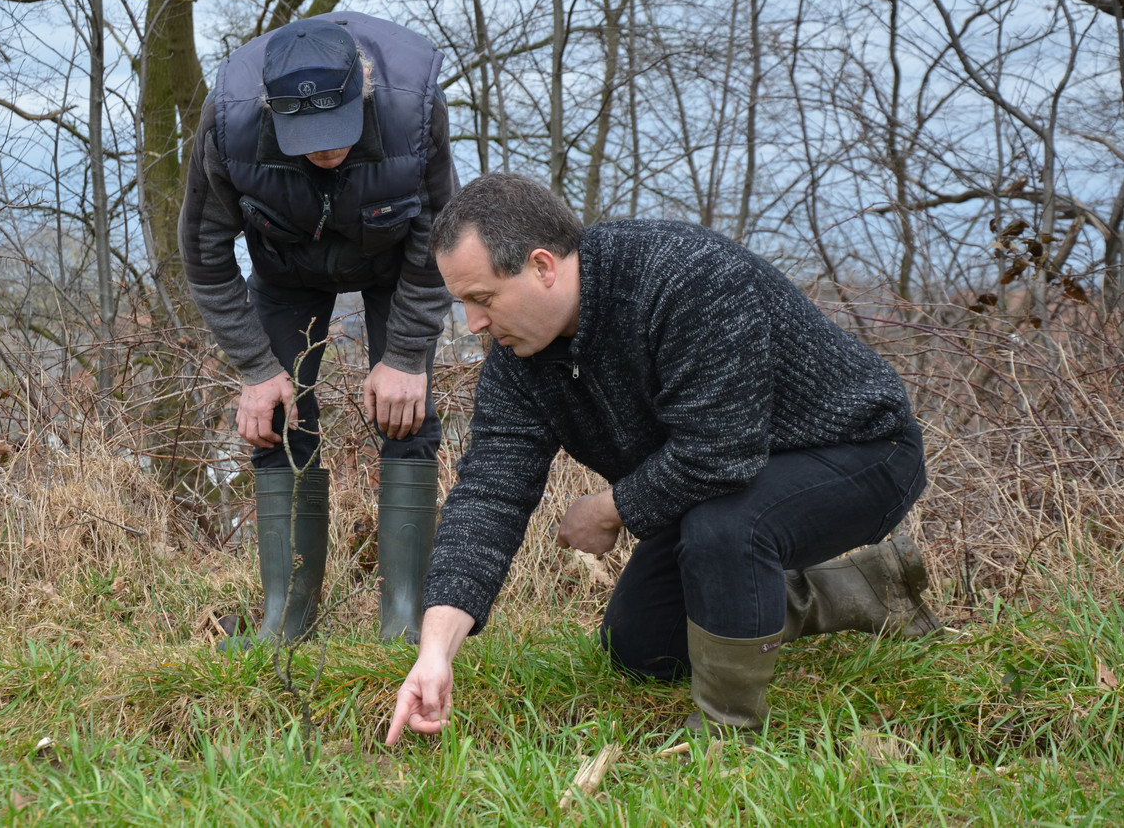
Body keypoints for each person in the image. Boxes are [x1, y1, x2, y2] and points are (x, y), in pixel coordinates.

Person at [386, 172, 941, 741]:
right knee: (641, 646)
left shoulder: (683, 275)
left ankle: (727, 739)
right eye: (464, 304)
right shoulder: (518, 361)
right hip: (726, 485)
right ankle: (867, 588)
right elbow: (489, 494)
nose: (475, 323)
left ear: (542, 266)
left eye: (483, 299)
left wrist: (609, 508)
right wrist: (435, 652)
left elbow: (721, 451)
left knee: (726, 527)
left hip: (861, 451)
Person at [179, 12, 457, 645]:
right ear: (273, 112)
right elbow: (203, 251)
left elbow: (442, 236)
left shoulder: (412, 108)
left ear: (362, 91)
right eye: (306, 134)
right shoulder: (230, 125)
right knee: (273, 422)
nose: (327, 148)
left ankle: (406, 628)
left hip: (398, 263)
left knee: (407, 416)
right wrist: (255, 367)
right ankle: (289, 619)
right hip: (285, 267)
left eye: (337, 130)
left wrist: (407, 355)